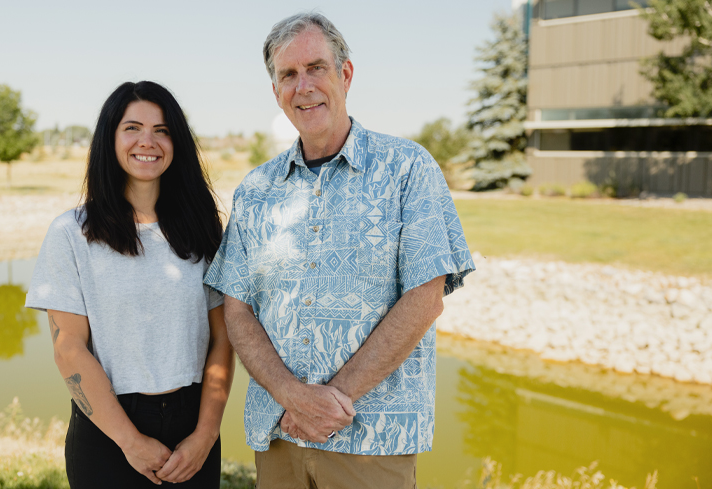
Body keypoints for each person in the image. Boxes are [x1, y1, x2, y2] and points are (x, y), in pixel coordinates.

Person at [205, 13, 475, 488]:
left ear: (345, 74)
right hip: (280, 438)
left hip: (373, 443)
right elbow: (237, 307)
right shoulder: (256, 189)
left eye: (316, 68)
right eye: (288, 74)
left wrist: (329, 402)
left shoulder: (408, 169)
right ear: (275, 92)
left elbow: (425, 298)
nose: (303, 85)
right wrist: (291, 395)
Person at [25, 81, 234, 488]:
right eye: (132, 128)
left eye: (162, 130)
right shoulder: (71, 233)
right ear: (110, 138)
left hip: (194, 426)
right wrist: (130, 441)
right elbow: (68, 348)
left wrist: (206, 435)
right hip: (108, 428)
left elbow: (222, 340)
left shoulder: (202, 229)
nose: (148, 141)